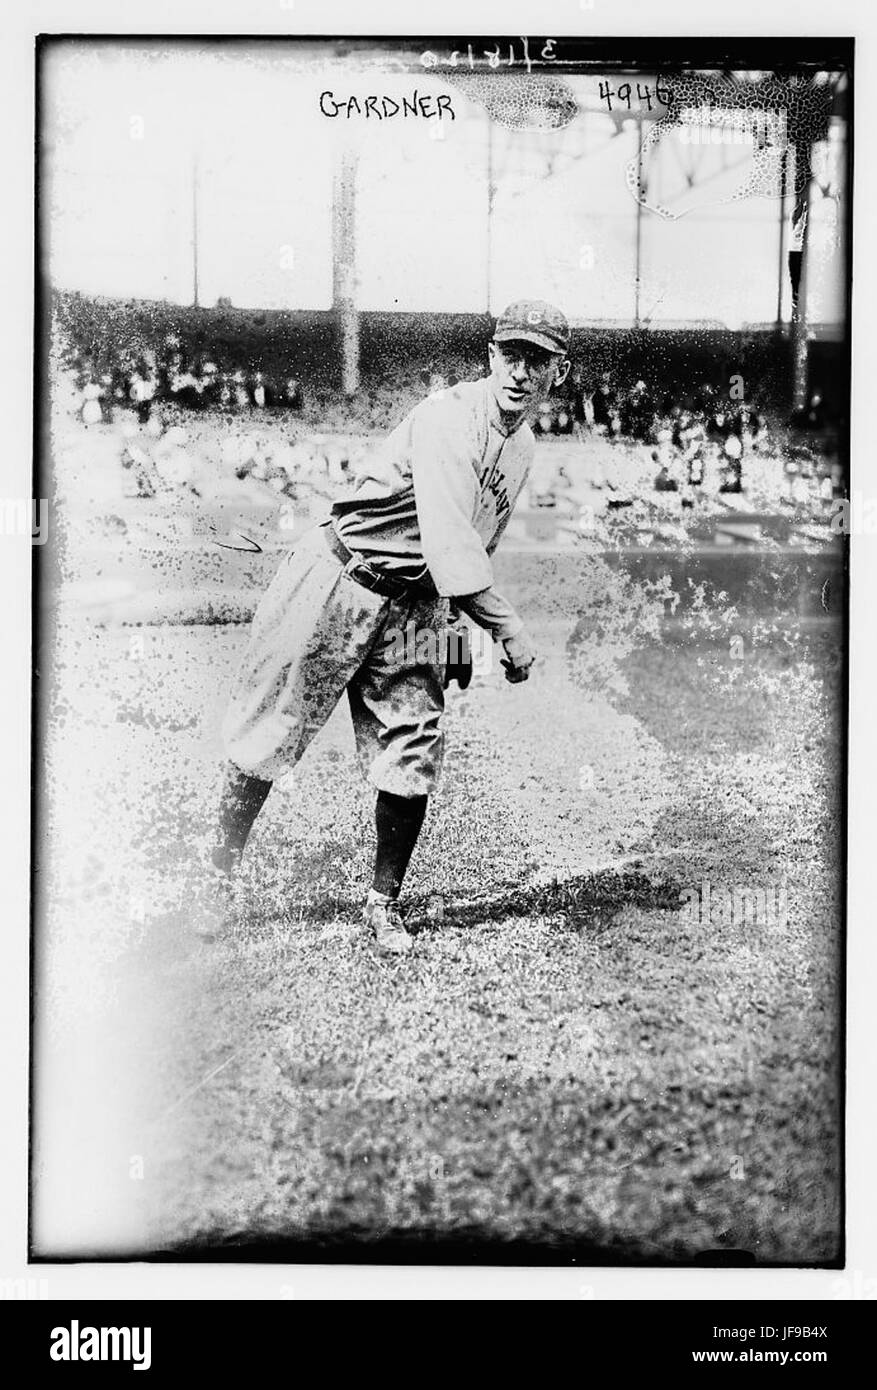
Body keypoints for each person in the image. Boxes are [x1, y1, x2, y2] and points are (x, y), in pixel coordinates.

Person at [193, 300, 571, 954]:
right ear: (490, 356)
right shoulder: (451, 417)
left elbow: (473, 545)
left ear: (557, 374)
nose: (520, 372)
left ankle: (381, 903)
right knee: (267, 733)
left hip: (415, 599)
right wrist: (506, 630)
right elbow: (453, 546)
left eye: (537, 360)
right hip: (337, 574)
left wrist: (452, 628)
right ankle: (215, 878)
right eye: (512, 354)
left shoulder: (525, 445)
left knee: (413, 747)